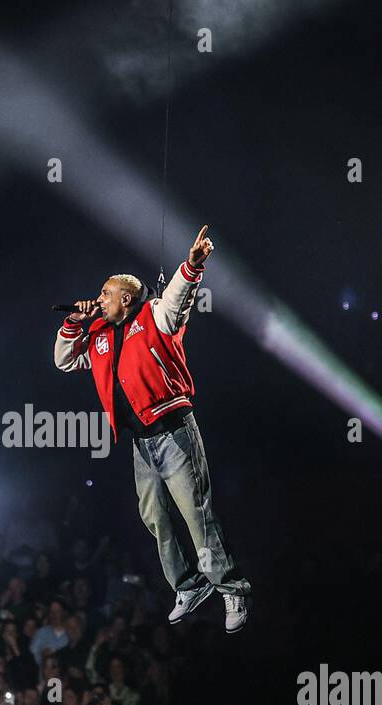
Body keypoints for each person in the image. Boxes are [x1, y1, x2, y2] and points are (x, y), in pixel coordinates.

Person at [53, 224, 250, 632]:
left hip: (174, 431)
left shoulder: (155, 315)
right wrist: (74, 321)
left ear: (125, 298)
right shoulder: (100, 334)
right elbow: (63, 361)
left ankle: (230, 588)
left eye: (105, 293)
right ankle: (188, 585)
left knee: (196, 516)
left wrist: (192, 266)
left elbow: (179, 298)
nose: (99, 298)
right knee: (154, 516)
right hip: (140, 442)